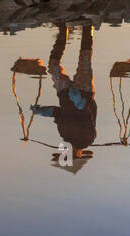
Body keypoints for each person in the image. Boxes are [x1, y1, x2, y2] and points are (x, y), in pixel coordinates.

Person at [32, 22, 97, 170]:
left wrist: (42, 111)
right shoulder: (87, 139)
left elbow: (57, 113)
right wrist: (79, 101)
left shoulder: (65, 135)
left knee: (53, 66)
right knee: (85, 58)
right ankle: (88, 25)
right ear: (76, 155)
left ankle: (63, 30)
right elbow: (88, 114)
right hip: (84, 92)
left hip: (65, 94)